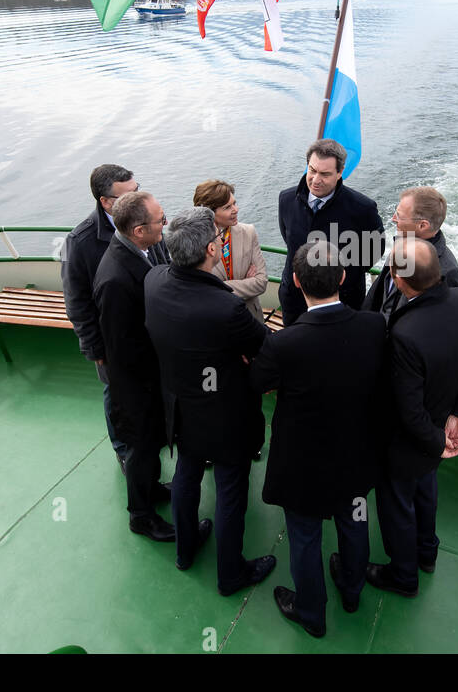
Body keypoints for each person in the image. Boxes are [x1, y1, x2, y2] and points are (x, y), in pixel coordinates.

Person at [250, 241, 387, 637]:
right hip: (356, 455)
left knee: (305, 537)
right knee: (355, 522)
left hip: (302, 462)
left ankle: (310, 612)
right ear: (343, 279)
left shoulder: (283, 343)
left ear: (294, 281)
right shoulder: (373, 326)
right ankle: (351, 589)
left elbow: (258, 382)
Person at [144, 207, 275, 595]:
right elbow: (265, 348)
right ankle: (230, 575)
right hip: (225, 417)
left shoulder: (154, 281)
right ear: (211, 250)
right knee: (231, 492)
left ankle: (184, 551)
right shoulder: (226, 308)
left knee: (186, 473)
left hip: (182, 409)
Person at [369, 237, 458, 598]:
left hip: (411, 440)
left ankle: (403, 576)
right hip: (438, 427)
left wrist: (438, 441)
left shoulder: (405, 334)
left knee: (397, 506)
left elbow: (407, 410)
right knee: (425, 491)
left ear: (399, 279)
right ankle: (427, 554)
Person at [62, 164, 167, 474]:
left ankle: (152, 440)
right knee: (117, 396)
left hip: (150, 337)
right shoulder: (81, 242)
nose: (137, 197)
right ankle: (125, 450)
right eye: (128, 195)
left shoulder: (146, 222)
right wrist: (95, 350)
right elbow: (76, 299)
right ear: (105, 201)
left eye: (137, 189)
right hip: (114, 343)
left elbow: (162, 262)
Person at [91, 191, 174, 541]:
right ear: (139, 230)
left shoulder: (134, 251)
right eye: (159, 220)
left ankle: (152, 489)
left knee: (151, 444)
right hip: (138, 386)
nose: (165, 224)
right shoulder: (115, 279)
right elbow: (123, 348)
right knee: (140, 450)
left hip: (147, 381)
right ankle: (140, 515)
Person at [276, 139, 384, 327]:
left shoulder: (362, 208)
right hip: (294, 297)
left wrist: (342, 276)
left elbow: (374, 251)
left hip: (343, 299)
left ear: (340, 173)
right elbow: (289, 239)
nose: (316, 180)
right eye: (312, 170)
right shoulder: (286, 199)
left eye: (325, 174)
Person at [363, 186, 458, 322]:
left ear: (423, 225)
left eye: (399, 215)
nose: (393, 219)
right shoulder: (403, 242)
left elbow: (442, 322)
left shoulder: (448, 272)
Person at [193, 179, 268, 323]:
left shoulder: (248, 232)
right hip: (216, 321)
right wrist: (244, 282)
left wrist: (218, 287)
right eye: (228, 207)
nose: (236, 209)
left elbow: (261, 282)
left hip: (251, 317)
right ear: (209, 213)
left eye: (234, 203)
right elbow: (199, 291)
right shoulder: (194, 244)